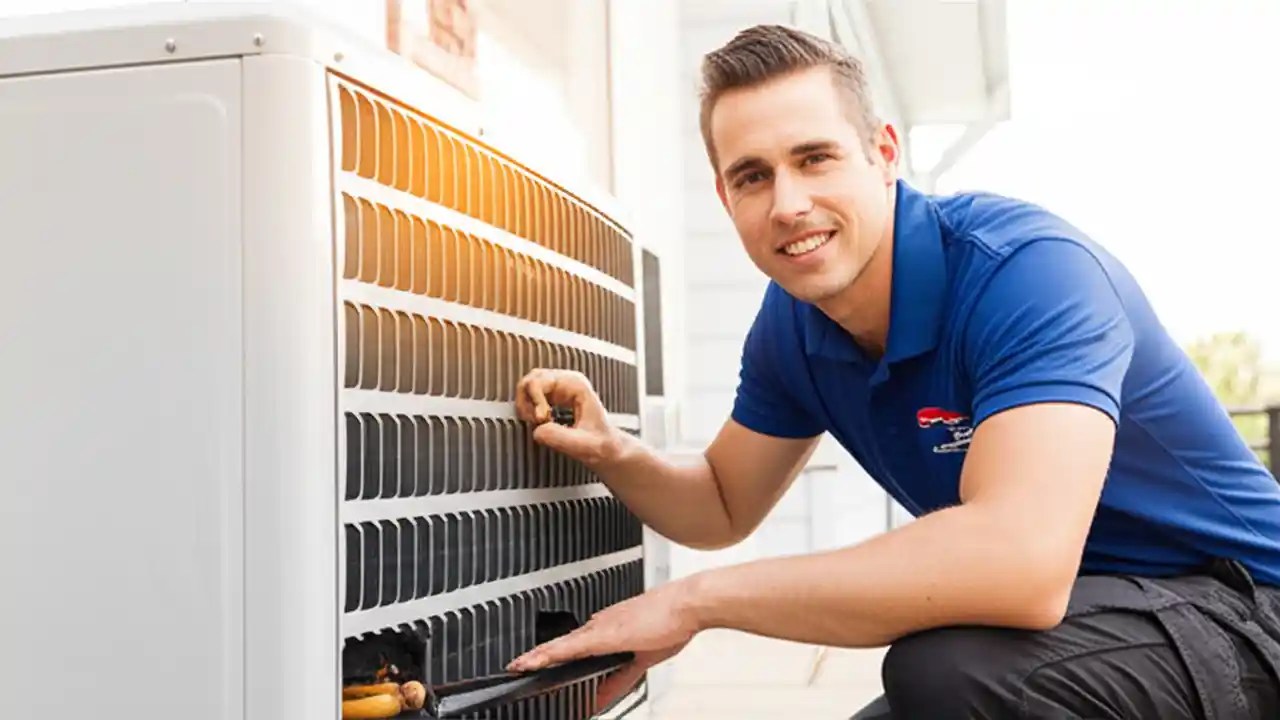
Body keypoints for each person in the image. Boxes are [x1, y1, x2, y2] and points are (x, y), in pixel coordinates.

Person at [505, 23, 1280, 719]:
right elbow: (719, 504)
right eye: (753, 176)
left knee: (948, 675)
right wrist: (614, 453)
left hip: (1242, 611)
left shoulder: (1029, 274)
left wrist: (696, 604)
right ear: (724, 194)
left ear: (882, 152)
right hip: (1091, 624)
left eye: (815, 158)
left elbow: (1019, 564)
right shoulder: (792, 326)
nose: (788, 203)